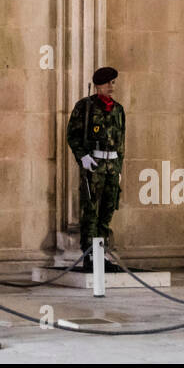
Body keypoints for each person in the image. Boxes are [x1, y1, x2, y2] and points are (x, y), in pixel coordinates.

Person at [66, 66, 125, 272]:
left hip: (111, 165)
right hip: (94, 164)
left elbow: (121, 142)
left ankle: (101, 253)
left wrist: (119, 169)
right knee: (91, 210)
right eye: (108, 83)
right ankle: (89, 254)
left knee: (107, 210)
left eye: (113, 83)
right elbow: (72, 135)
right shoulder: (85, 106)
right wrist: (82, 156)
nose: (111, 87)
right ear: (98, 84)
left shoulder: (118, 110)